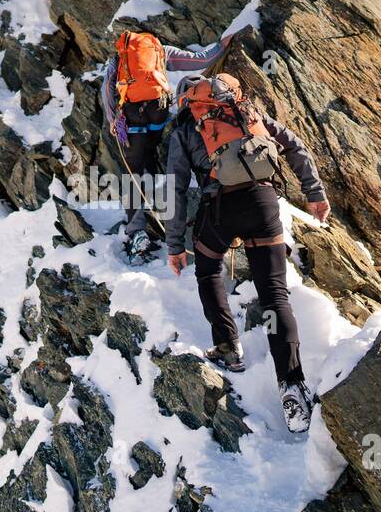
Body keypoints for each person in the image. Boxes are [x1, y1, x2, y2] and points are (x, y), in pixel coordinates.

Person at [164, 72, 331, 433]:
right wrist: (314, 193)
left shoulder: (184, 131)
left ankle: (228, 346)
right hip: (263, 202)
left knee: (208, 270)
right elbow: (294, 145)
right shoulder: (246, 113)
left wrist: (175, 246)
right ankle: (291, 384)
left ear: (187, 103)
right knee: (274, 295)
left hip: (221, 211)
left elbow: (175, 191)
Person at [100, 29, 240, 263]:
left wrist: (113, 119)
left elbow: (107, 89)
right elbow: (200, 60)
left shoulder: (119, 59)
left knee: (133, 172)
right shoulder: (160, 52)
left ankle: (137, 230)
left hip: (131, 118)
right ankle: (157, 205)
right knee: (152, 155)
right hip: (157, 113)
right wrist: (222, 44)